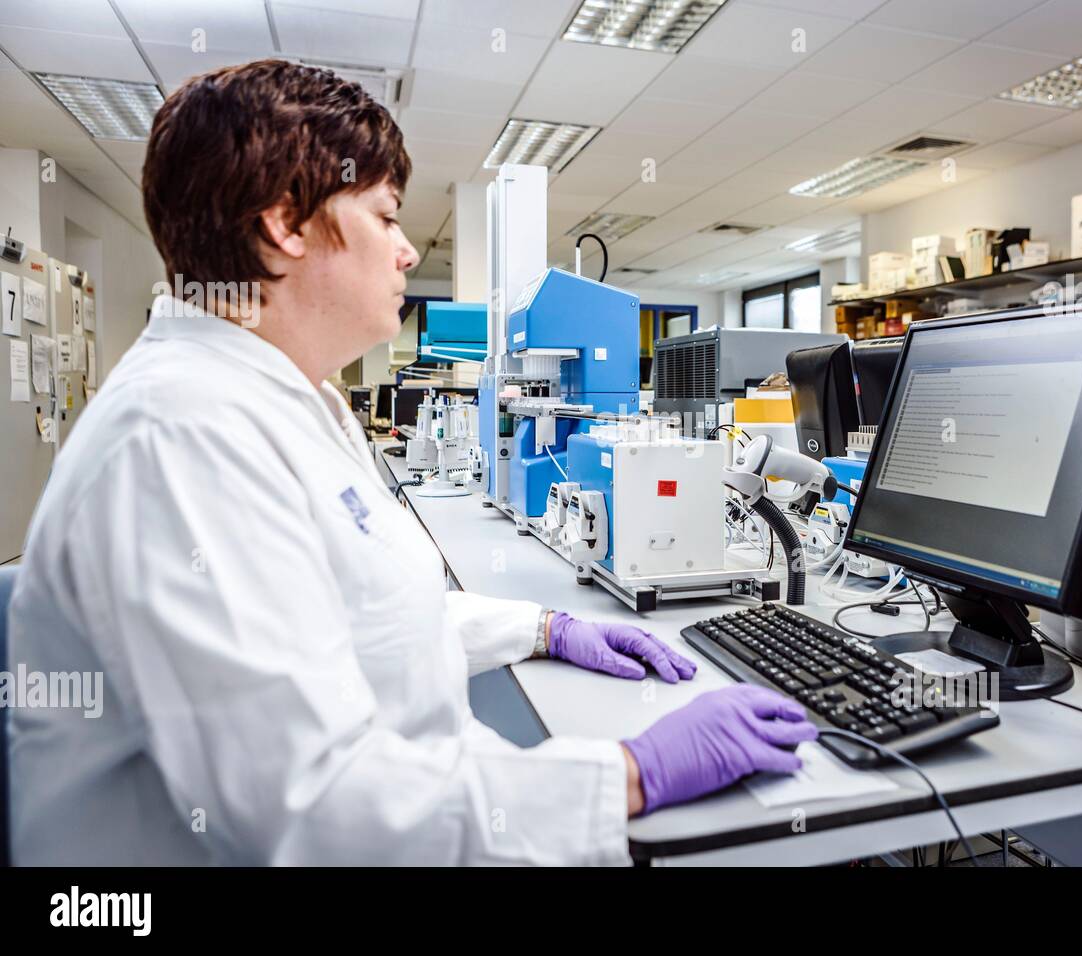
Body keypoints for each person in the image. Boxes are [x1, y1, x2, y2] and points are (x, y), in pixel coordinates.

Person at [6, 60, 817, 866]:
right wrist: (631, 773)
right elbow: (319, 809)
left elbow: (364, 613)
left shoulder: (287, 397)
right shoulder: (180, 436)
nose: (403, 252)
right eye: (386, 217)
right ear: (287, 222)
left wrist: (543, 628)